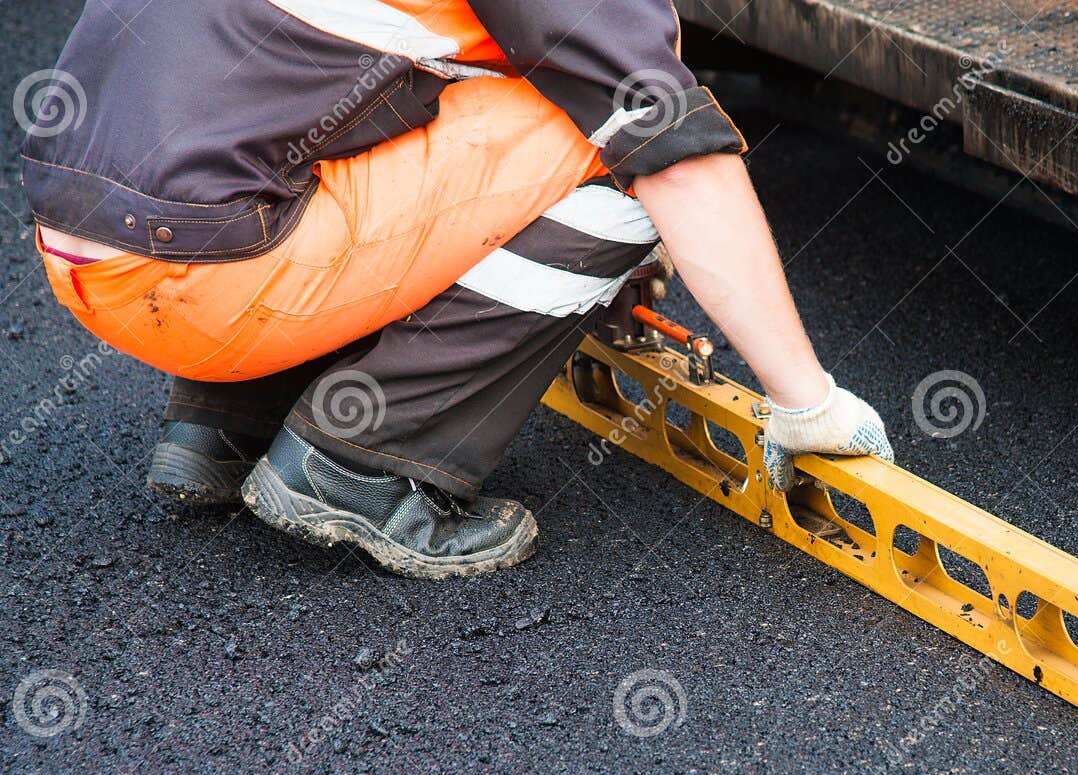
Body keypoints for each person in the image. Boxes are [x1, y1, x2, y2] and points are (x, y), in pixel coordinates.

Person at [23, 0, 894, 579]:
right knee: (618, 134)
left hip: (89, 254)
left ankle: (226, 419)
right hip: (213, 276)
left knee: (375, 91)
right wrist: (804, 399)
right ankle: (364, 460)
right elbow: (675, 152)